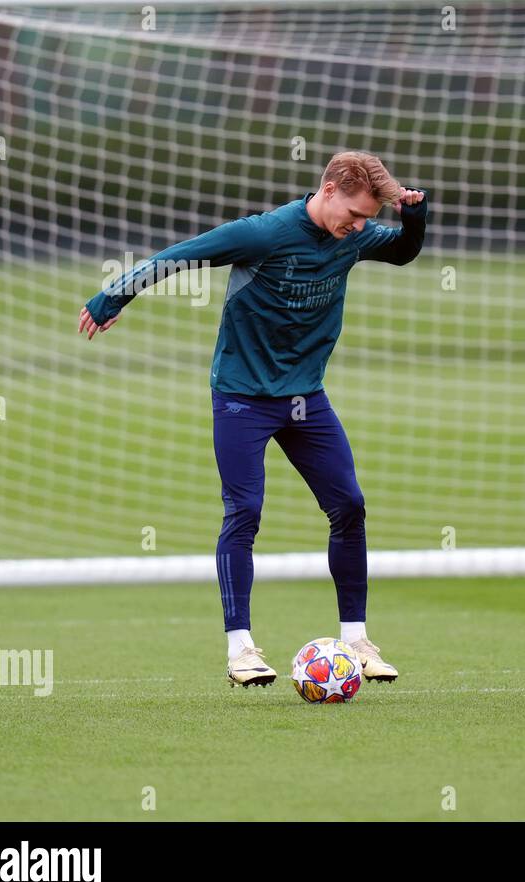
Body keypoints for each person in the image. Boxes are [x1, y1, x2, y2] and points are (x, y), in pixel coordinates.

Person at [78, 151, 429, 688]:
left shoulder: (351, 237)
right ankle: (240, 649)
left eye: (365, 219)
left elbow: (404, 252)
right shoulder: (263, 234)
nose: (358, 228)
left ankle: (357, 640)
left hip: (306, 398)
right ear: (330, 189)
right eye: (354, 215)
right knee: (244, 511)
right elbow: (180, 256)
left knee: (350, 506)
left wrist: (412, 213)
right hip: (242, 396)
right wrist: (111, 296)